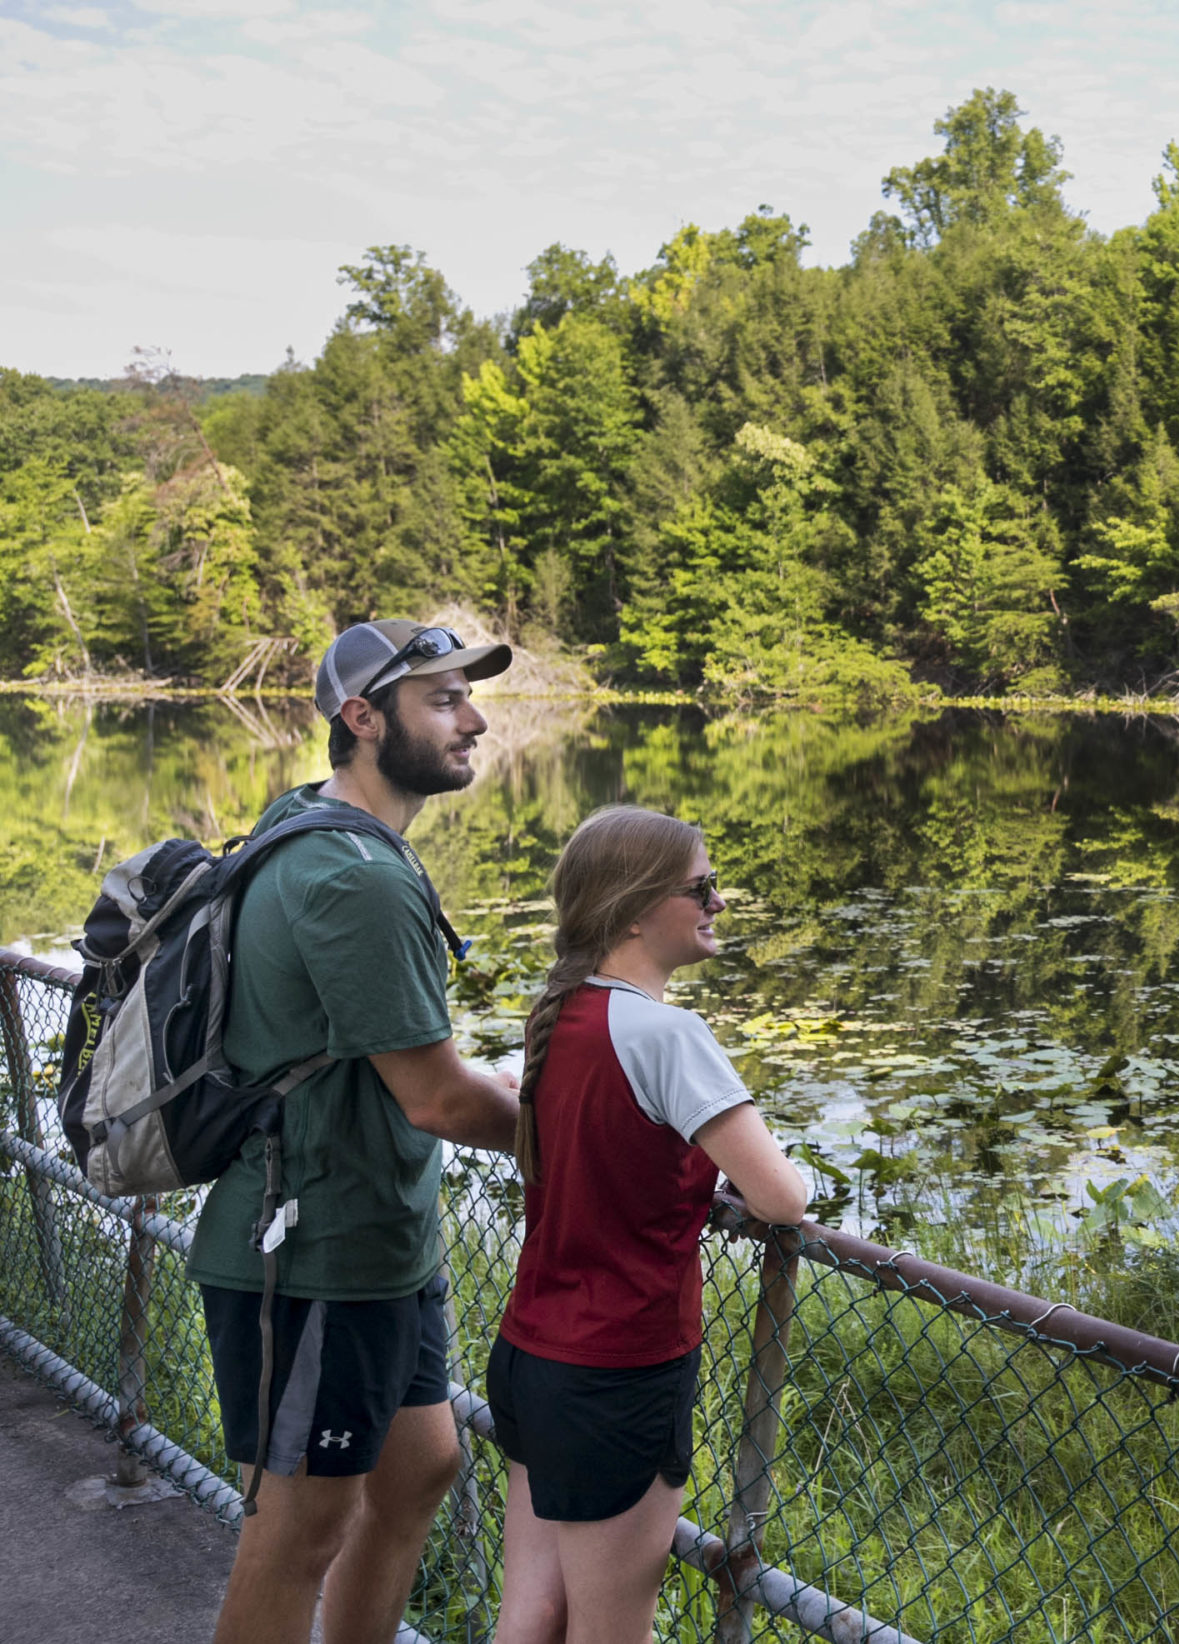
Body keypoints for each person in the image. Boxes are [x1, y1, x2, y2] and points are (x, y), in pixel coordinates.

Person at [192, 620, 525, 1644]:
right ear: (362, 717)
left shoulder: (310, 818)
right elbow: (438, 1100)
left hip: (376, 1246)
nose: (473, 720)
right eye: (443, 699)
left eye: (470, 698)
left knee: (422, 1466)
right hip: (313, 1254)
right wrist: (595, 1132)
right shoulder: (358, 879)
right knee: (298, 1533)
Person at [487, 806, 807, 1644]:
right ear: (635, 908)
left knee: (531, 1616)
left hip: (530, 1357)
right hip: (618, 1374)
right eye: (701, 886)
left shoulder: (562, 1015)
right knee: (609, 1630)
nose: (719, 902)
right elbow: (782, 1198)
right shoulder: (668, 1035)